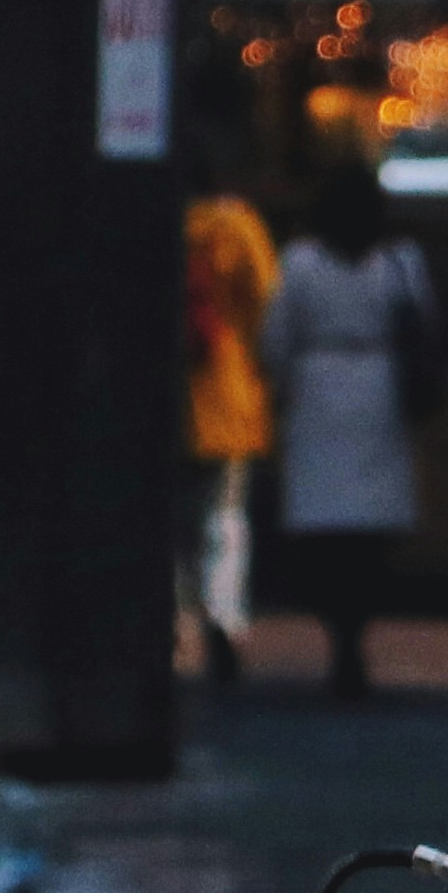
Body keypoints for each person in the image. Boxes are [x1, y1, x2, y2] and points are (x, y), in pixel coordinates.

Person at [262, 163, 441, 698]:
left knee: (324, 528)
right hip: (378, 391)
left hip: (318, 391)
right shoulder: (399, 262)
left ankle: (339, 635)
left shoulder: (299, 262)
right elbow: (427, 327)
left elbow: (274, 338)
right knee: (368, 532)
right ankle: (355, 634)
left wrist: (282, 386)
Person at [180, 175, 281, 688]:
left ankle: (175, 627)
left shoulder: (163, 216)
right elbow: (269, 306)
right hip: (227, 391)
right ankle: (221, 619)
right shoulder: (237, 226)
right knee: (223, 518)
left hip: (170, 397)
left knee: (167, 523)